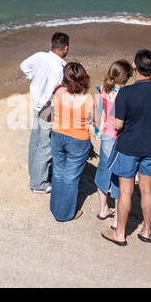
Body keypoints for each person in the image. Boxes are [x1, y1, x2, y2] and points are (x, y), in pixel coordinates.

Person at [102, 49, 151, 246]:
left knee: (126, 191)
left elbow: (118, 124)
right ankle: (146, 231)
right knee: (148, 191)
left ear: (134, 66)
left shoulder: (126, 92)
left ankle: (120, 234)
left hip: (129, 146)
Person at [20, 31, 70, 193]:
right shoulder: (59, 68)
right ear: (66, 49)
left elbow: (23, 66)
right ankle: (38, 184)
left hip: (36, 104)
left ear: (51, 45)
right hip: (48, 108)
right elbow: (52, 92)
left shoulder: (40, 56)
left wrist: (34, 78)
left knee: (34, 141)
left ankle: (33, 172)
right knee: (46, 146)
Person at [49, 62, 94, 221]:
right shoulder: (88, 99)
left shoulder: (58, 90)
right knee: (71, 177)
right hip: (78, 139)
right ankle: (64, 214)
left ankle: (55, 207)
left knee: (58, 171)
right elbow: (95, 121)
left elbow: (52, 111)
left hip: (57, 134)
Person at [94, 61, 132, 219]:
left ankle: (103, 209)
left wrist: (98, 131)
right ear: (125, 79)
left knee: (103, 171)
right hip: (121, 139)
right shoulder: (126, 94)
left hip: (107, 137)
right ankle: (117, 218)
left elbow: (97, 115)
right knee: (119, 177)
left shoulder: (103, 90)